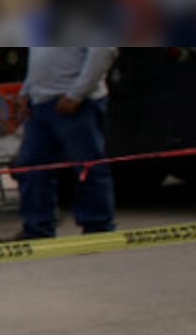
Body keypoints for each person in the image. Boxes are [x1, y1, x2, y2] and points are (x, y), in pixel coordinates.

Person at [14, 47, 118, 240]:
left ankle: (98, 228)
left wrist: (77, 94)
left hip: (77, 103)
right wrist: (26, 91)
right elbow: (38, 58)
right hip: (41, 104)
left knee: (88, 167)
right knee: (32, 169)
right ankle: (37, 229)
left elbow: (103, 51)